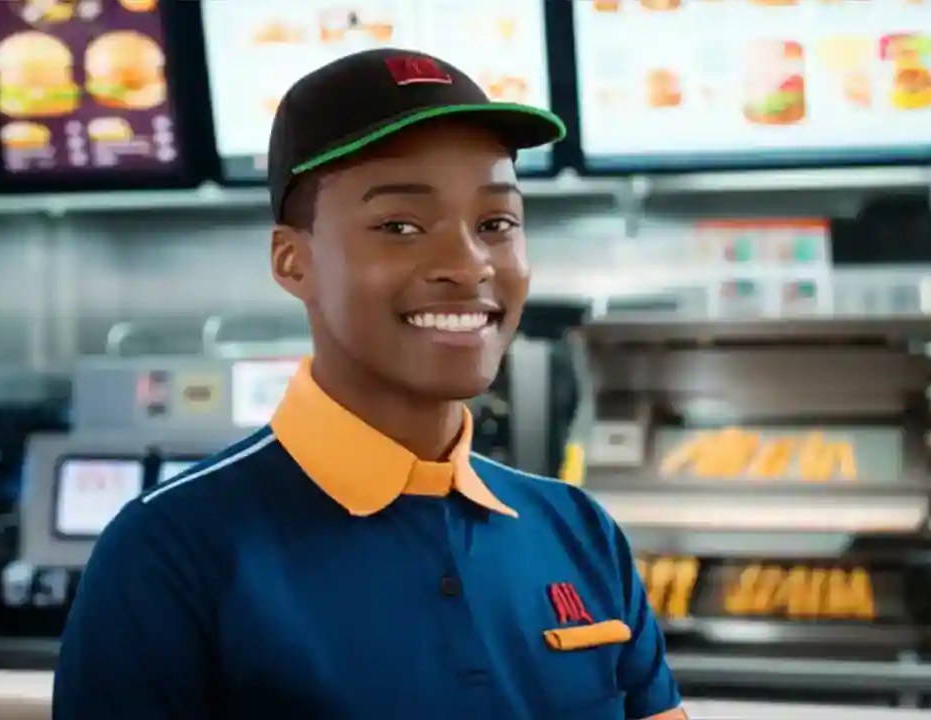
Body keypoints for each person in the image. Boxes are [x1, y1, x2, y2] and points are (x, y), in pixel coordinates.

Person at [54, 49, 685, 719]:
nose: (467, 265)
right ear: (293, 261)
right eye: (400, 226)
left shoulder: (579, 532)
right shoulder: (171, 553)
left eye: (496, 224)